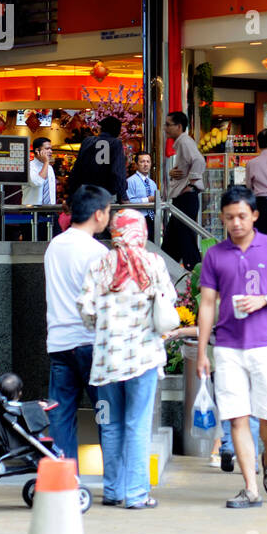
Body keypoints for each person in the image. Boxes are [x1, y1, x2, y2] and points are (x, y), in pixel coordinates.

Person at [195, 185, 267, 508]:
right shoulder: (215, 255)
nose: (236, 223)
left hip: (265, 343)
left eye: (242, 216)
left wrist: (264, 300)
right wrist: (202, 351)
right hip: (227, 347)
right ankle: (251, 488)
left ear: (254, 215)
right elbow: (207, 304)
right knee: (237, 417)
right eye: (229, 218)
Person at [79, 208, 175, 509]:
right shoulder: (153, 263)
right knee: (137, 424)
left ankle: (113, 491)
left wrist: (105, 328)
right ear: (141, 231)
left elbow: (86, 310)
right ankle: (136, 494)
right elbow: (168, 302)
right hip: (143, 359)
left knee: (110, 424)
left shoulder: (100, 265)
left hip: (107, 361)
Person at [44, 184, 111, 460]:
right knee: (107, 415)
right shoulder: (97, 252)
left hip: (59, 343)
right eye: (108, 211)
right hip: (91, 343)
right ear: (98, 214)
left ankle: (64, 482)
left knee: (60, 417)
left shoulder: (54, 246)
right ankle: (114, 484)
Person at [163, 111, 205, 268]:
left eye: (168, 124)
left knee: (186, 243)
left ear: (179, 126)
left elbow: (199, 161)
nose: (165, 128)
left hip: (186, 199)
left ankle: (197, 280)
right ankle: (167, 276)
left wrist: (192, 184)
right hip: (182, 199)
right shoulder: (182, 143)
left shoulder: (184, 142)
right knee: (170, 245)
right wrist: (172, 173)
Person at [67, 115, 128, 204]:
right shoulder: (115, 143)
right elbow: (117, 172)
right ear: (117, 130)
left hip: (86, 193)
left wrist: (71, 195)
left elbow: (76, 169)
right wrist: (123, 195)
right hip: (106, 195)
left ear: (101, 128)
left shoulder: (87, 141)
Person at [126, 151, 158, 240]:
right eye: (142, 161)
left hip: (152, 219)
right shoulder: (130, 181)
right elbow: (128, 201)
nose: (145, 164)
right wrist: (147, 199)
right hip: (137, 220)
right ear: (136, 164)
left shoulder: (152, 183)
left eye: (148, 162)